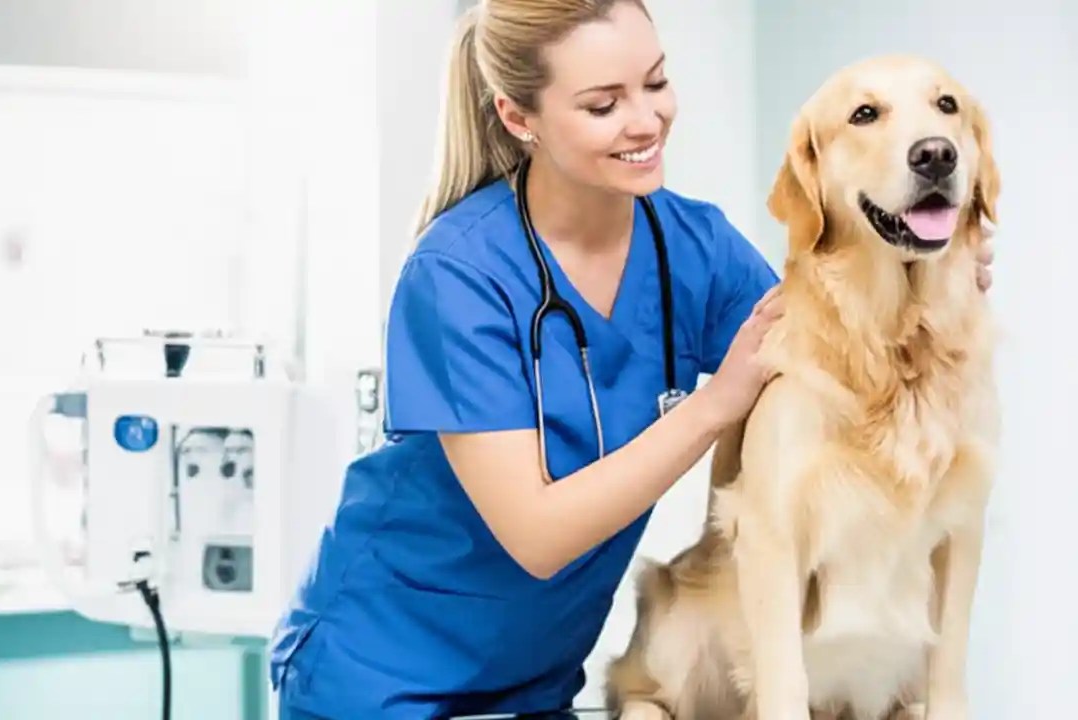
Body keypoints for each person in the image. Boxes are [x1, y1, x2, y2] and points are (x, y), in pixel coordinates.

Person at [268, 1, 995, 718]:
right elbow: (538, 537)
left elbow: (827, 350)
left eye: (655, 82)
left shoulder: (693, 248)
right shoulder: (458, 274)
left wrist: (924, 267)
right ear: (521, 120)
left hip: (535, 685)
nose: (646, 121)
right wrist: (715, 406)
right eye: (602, 104)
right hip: (377, 676)